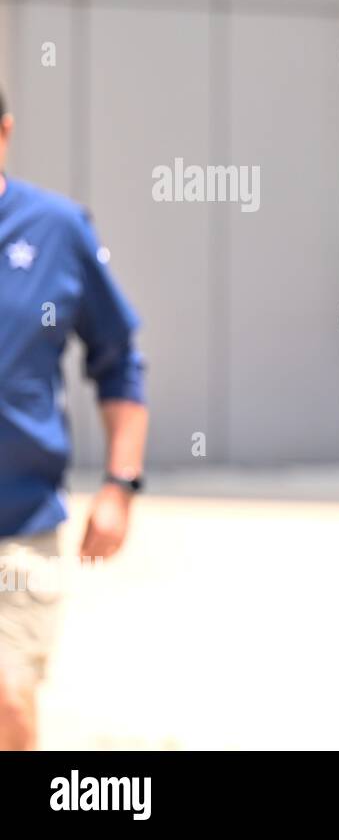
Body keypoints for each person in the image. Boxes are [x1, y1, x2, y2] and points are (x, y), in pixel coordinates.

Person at [0, 87, 148, 750]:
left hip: (19, 526)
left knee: (7, 700)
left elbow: (118, 361)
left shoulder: (57, 230)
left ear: (4, 133)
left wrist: (120, 484)